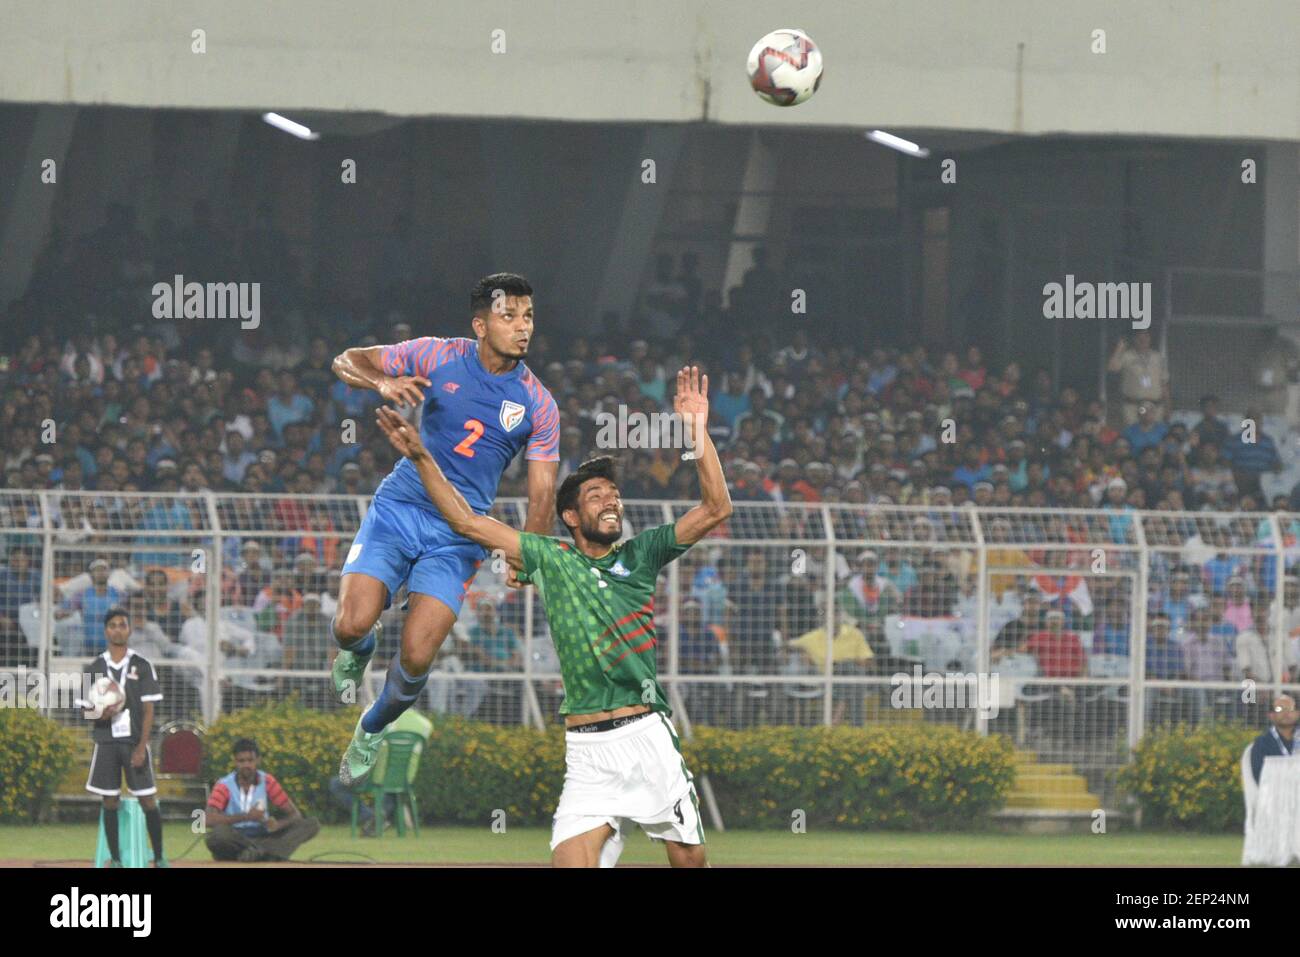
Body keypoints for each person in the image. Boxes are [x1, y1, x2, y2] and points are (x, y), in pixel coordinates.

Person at [375, 365, 730, 868]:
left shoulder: (642, 553)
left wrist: (695, 430)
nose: (611, 500)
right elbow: (465, 519)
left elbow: (716, 507)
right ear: (570, 516)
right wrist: (419, 456)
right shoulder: (551, 557)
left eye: (614, 494)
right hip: (587, 753)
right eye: (596, 496)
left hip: (646, 735)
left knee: (689, 860)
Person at [328, 274, 559, 787]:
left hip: (460, 532)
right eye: (509, 317)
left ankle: (370, 729)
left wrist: (529, 552)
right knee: (350, 624)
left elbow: (541, 491)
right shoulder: (437, 354)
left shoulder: (539, 404)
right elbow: (346, 359)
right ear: (480, 325)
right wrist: (381, 383)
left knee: (416, 655)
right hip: (401, 506)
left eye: (529, 318)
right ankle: (358, 649)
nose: (523, 329)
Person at [83, 606, 167, 867]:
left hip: (133, 742)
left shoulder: (141, 665)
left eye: (122, 624)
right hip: (106, 741)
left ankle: (160, 857)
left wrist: (143, 746)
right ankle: (116, 859)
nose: (117, 629)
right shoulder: (95, 666)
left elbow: (149, 709)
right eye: (113, 625)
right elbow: (86, 711)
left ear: (129, 630)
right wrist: (101, 713)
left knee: (147, 799)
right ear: (106, 630)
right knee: (109, 799)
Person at [205, 738, 321, 862]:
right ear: (235, 762)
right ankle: (264, 854)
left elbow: (295, 815)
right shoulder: (224, 784)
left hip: (263, 836)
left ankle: (254, 853)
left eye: (250, 760)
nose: (246, 765)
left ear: (258, 760)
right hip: (236, 838)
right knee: (217, 835)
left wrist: (277, 825)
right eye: (241, 761)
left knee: (311, 824)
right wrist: (247, 817)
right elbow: (207, 819)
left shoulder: (268, 781)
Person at [1248, 694, 1299, 786]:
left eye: (1291, 709)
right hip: (1275, 795)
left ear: (1297, 713)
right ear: (1271, 715)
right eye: (1279, 709)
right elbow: (1260, 777)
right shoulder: (1262, 743)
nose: (1286, 713)